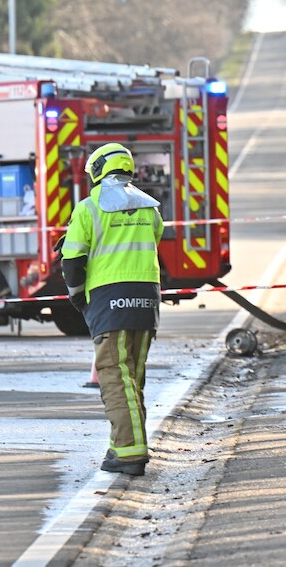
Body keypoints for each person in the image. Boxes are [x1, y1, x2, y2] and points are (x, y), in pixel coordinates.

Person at [60, 142, 164, 476]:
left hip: (109, 299)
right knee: (132, 378)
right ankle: (121, 445)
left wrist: (78, 297)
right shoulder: (151, 209)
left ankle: (131, 452)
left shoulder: (88, 208)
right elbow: (152, 243)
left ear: (97, 170)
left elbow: (73, 260)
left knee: (115, 378)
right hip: (147, 300)